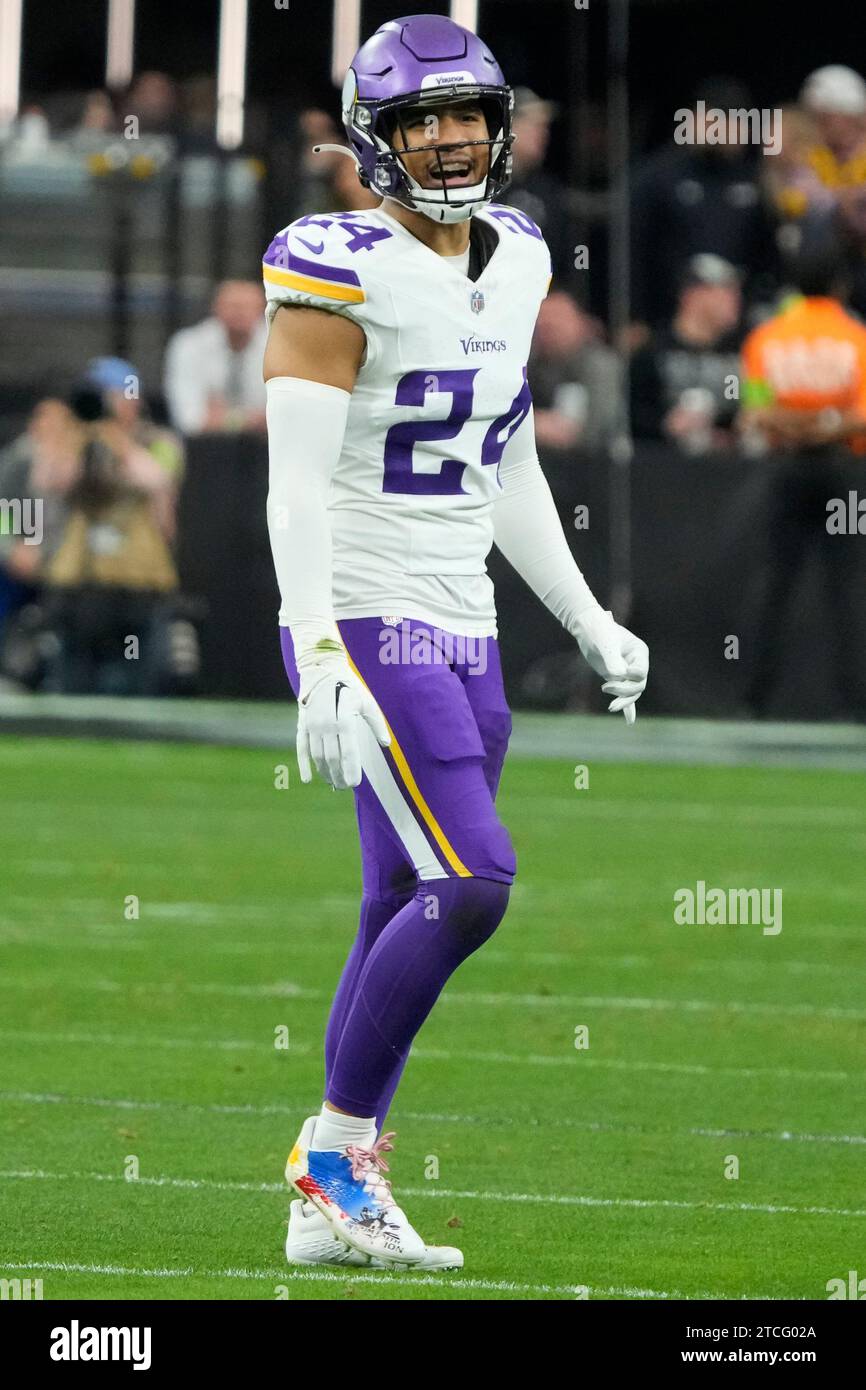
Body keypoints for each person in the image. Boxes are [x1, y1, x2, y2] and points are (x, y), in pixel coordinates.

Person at [262, 13, 649, 1273]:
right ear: (376, 138)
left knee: (394, 893)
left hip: (465, 619)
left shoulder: (522, 254)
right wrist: (316, 648)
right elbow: (296, 485)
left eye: (464, 115)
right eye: (419, 120)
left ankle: (326, 1209)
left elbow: (508, 456)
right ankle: (333, 1155)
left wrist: (583, 616)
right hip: (370, 613)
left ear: (499, 121)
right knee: (468, 882)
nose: (446, 139)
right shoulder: (335, 262)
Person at [738, 250, 866, 716]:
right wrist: (826, 423)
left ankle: (754, 701)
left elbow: (756, 413)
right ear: (840, 287)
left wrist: (793, 424)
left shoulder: (767, 338)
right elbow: (860, 419)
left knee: (773, 586)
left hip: (787, 467)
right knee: (849, 588)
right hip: (842, 472)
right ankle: (856, 704)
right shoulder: (855, 339)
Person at [629, 254, 743, 450]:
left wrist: (729, 434)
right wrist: (666, 426)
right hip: (665, 469)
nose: (735, 299)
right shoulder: (653, 353)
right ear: (692, 295)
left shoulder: (741, 352)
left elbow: (751, 410)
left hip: (729, 470)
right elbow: (632, 415)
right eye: (725, 290)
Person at [163, 280, 268, 435]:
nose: (240, 313)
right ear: (215, 307)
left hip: (266, 447)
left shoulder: (279, 346)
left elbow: (285, 417)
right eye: (233, 306)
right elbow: (189, 419)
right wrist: (252, 419)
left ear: (263, 310)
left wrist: (222, 417)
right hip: (205, 447)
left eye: (247, 307)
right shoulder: (189, 344)